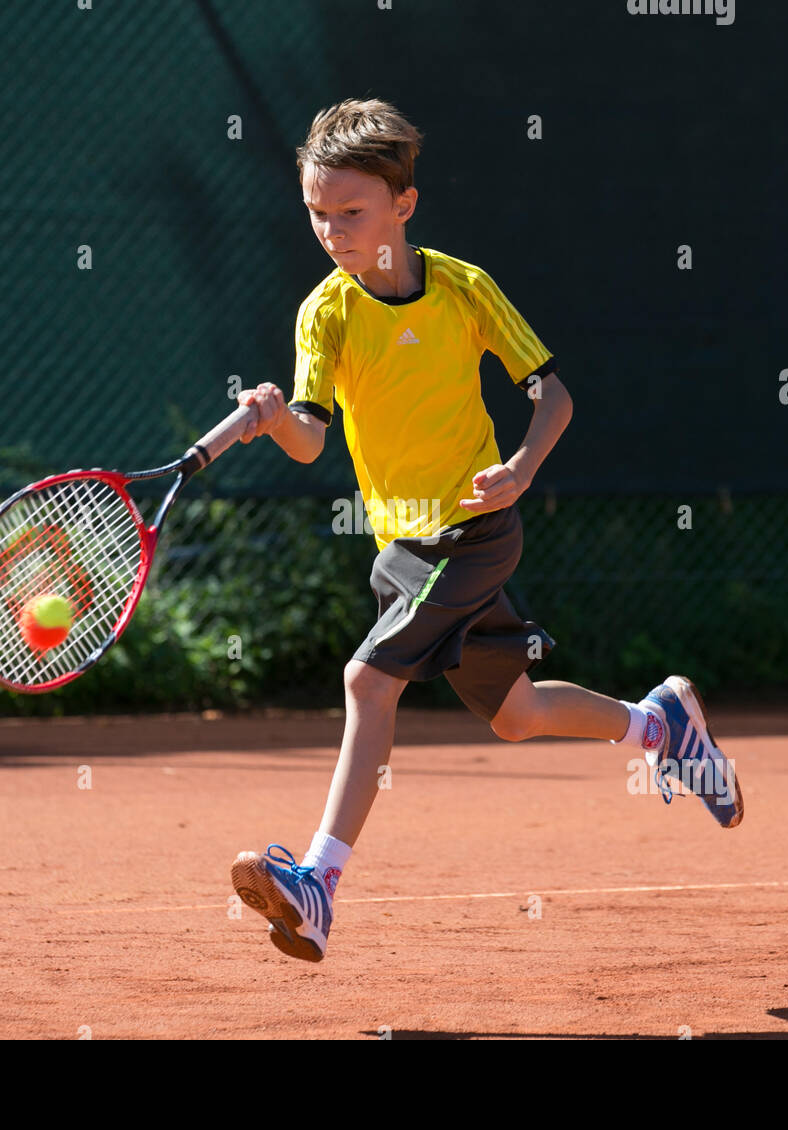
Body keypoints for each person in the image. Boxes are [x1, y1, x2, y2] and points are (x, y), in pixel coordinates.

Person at [229, 98, 742, 962]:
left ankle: (317, 883)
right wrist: (275, 416)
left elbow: (553, 394)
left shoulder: (466, 289)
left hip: (475, 529)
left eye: (351, 212)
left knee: (367, 682)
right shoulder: (325, 314)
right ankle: (661, 725)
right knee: (514, 714)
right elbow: (314, 440)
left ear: (405, 205)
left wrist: (523, 466)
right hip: (401, 549)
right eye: (318, 213)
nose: (332, 231)